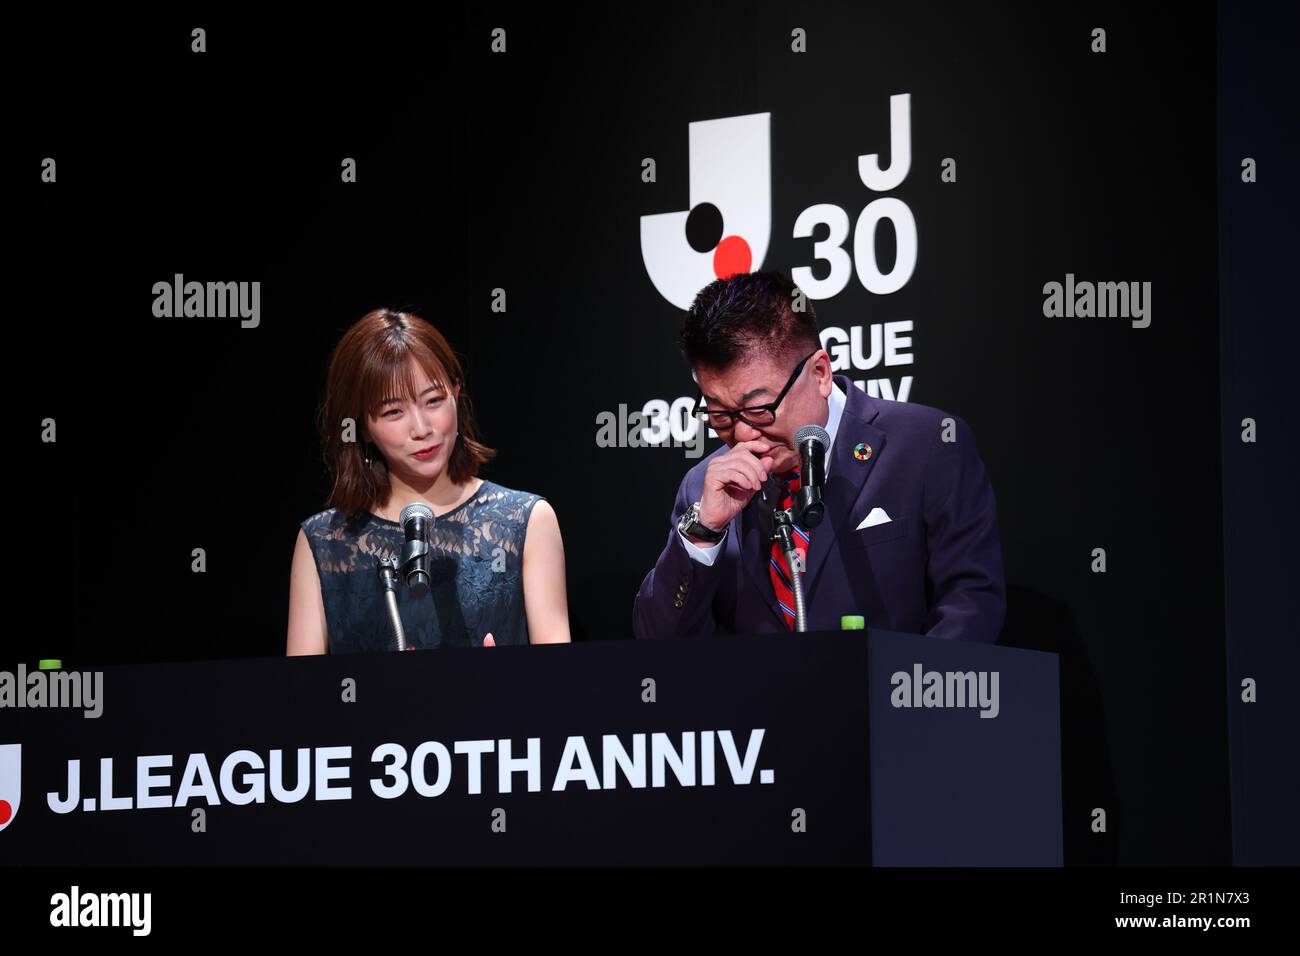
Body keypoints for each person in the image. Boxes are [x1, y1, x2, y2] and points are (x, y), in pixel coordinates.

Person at [633, 271, 1005, 642]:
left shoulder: (926, 446)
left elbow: (970, 603)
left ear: (821, 373)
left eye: (760, 408)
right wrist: (703, 533)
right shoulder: (703, 488)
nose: (743, 433)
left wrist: (906, 694)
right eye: (720, 414)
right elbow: (657, 641)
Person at [287, 307, 570, 653]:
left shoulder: (527, 521)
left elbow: (559, 684)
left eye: (434, 400)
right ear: (362, 426)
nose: (422, 429)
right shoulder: (323, 540)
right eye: (394, 412)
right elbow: (300, 697)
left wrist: (503, 680)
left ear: (456, 391)